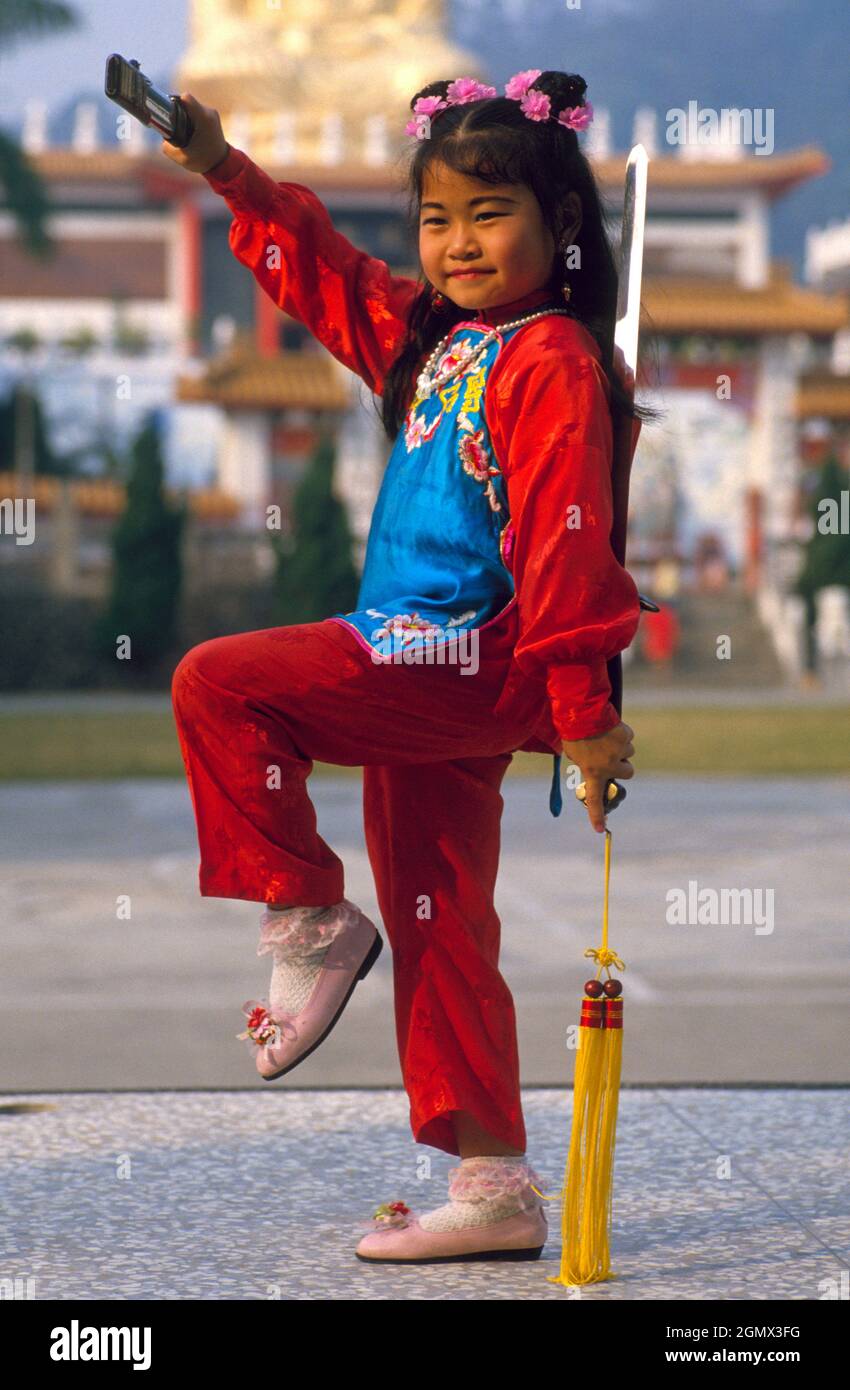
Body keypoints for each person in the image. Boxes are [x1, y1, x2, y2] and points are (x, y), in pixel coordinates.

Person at [165, 68, 642, 1265]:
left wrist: (582, 711)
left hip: (460, 653)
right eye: (437, 219)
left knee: (218, 683)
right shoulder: (441, 345)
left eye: (489, 213)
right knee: (438, 917)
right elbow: (329, 275)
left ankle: (310, 914)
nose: (458, 242)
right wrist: (229, 170)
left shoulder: (553, 362)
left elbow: (569, 539)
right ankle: (493, 1188)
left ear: (560, 222)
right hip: (418, 663)